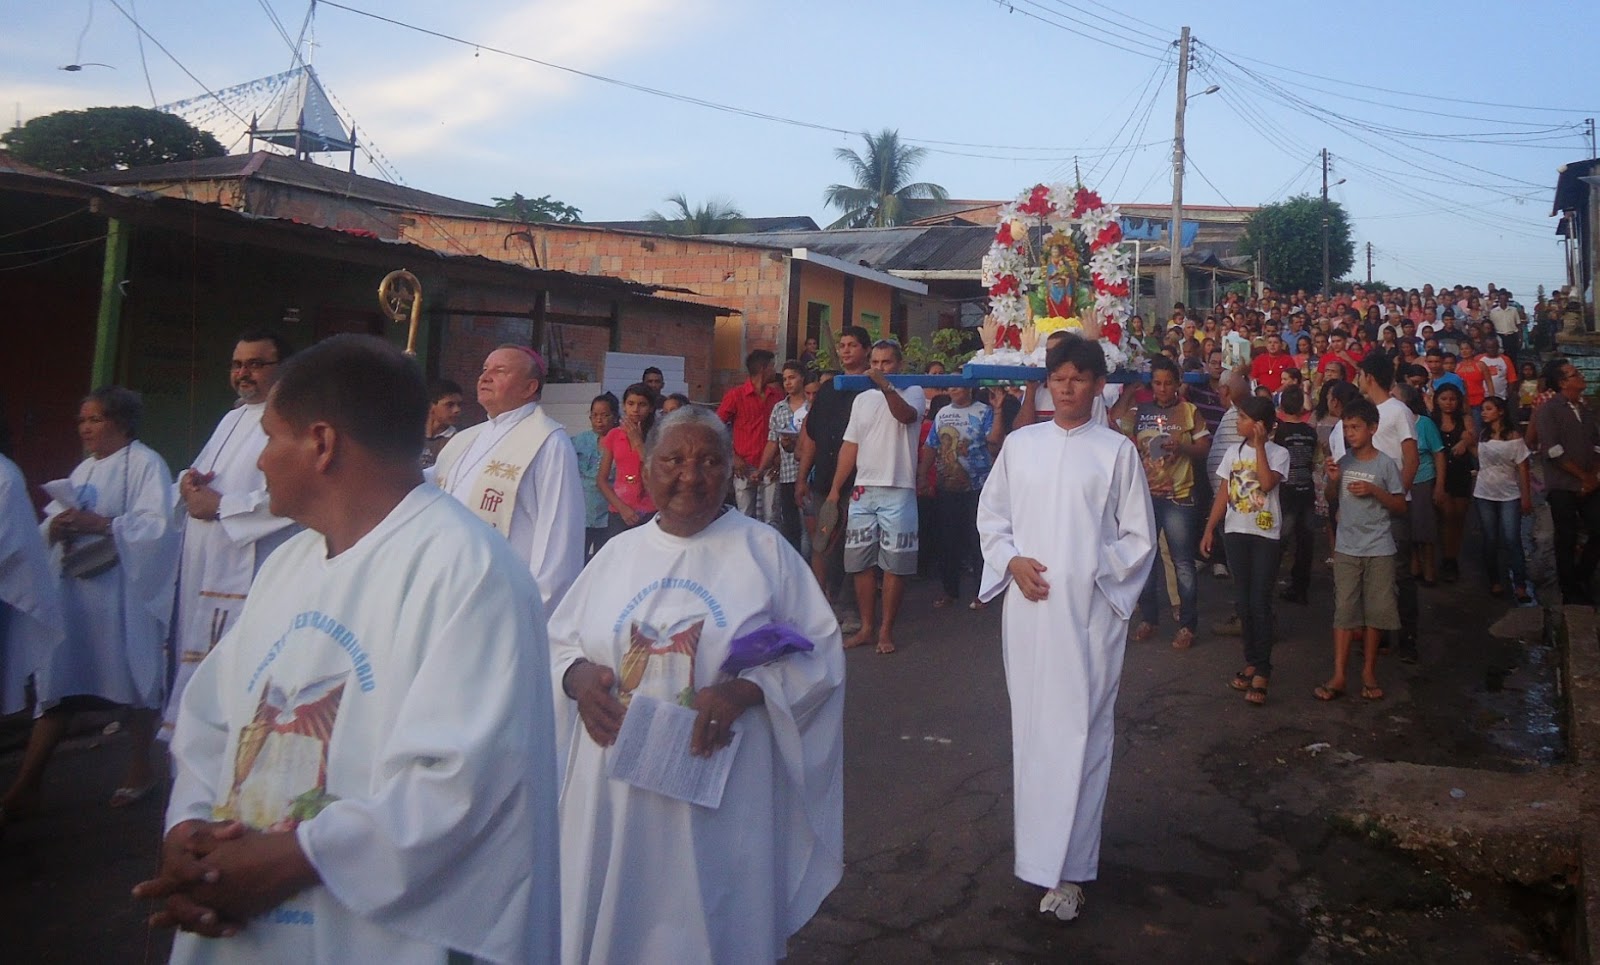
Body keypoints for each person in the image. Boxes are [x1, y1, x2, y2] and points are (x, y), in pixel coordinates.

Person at [136, 335, 559, 963]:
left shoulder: (469, 573)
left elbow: (465, 785)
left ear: (323, 444)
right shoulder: (289, 564)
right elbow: (213, 718)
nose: (259, 463)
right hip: (242, 917)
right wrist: (190, 831)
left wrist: (296, 856)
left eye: (272, 439)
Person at [551, 407, 844, 964]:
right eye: (674, 460)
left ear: (730, 466)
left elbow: (821, 656)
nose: (691, 475)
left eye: (709, 460)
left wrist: (747, 690)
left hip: (724, 794)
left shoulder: (764, 552)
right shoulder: (617, 555)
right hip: (618, 797)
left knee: (716, 923)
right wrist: (577, 676)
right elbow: (557, 641)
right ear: (646, 464)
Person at [976, 335, 1156, 922]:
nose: (1068, 387)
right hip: (1029, 611)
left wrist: (1087, 569)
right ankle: (1035, 859)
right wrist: (1010, 562)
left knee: (1082, 733)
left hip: (1088, 614)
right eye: (1058, 378)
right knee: (1033, 731)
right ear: (1046, 384)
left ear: (1100, 385)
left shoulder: (1116, 451)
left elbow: (1137, 539)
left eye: (1080, 377)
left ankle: (1072, 870)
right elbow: (992, 518)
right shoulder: (1021, 445)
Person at [2, 387, 178, 821]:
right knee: (59, 685)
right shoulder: (84, 469)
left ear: (121, 422)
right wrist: (56, 528)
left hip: (121, 597)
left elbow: (158, 530)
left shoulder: (145, 463)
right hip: (77, 598)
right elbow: (43, 527)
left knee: (136, 684)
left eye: (95, 420)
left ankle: (140, 769)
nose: (85, 429)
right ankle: (27, 786)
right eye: (82, 421)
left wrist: (102, 524)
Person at [165, 332, 299, 738]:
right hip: (203, 563)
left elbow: (289, 495)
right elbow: (203, 473)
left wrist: (221, 507)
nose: (244, 372)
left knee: (237, 674)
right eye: (238, 363)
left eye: (257, 363)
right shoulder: (233, 417)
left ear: (283, 368)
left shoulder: (293, 419)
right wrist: (188, 486)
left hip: (251, 565)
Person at [435, 343, 585, 614]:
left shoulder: (549, 442)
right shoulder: (466, 438)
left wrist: (537, 613)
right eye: (484, 369)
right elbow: (427, 486)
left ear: (529, 387)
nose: (485, 377)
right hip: (451, 589)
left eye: (499, 370)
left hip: (504, 602)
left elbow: (559, 536)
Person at [826, 340, 925, 654]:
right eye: (876, 363)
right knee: (860, 562)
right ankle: (867, 628)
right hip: (863, 490)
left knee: (895, 565)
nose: (880, 368)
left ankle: (886, 631)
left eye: (887, 362)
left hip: (899, 490)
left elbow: (906, 416)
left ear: (899, 363)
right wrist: (834, 490)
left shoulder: (914, 391)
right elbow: (850, 446)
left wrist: (885, 387)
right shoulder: (862, 400)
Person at [1199, 397, 1289, 705]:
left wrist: (1262, 446)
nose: (1237, 423)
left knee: (1260, 601)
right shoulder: (1233, 452)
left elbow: (1265, 483)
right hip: (1236, 532)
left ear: (1260, 425)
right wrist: (1210, 528)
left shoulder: (1279, 454)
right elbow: (1224, 493)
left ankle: (1263, 669)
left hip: (1264, 534)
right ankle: (1251, 659)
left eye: (1243, 418)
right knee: (1244, 602)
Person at [1316, 398, 1406, 703]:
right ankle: (1339, 674)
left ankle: (1368, 671)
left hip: (1379, 546)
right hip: (1347, 547)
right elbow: (1331, 498)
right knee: (1344, 611)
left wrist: (1374, 490)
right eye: (1347, 428)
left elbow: (1400, 505)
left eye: (1356, 427)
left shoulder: (1385, 464)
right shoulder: (1344, 464)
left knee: (1376, 612)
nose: (1351, 433)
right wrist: (1332, 480)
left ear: (1373, 429)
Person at [1127, 357, 1211, 649]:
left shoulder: (1188, 411)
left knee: (1183, 562)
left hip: (1179, 497)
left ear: (1177, 384)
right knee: (1145, 560)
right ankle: (1149, 618)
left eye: (1168, 383)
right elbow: (1117, 426)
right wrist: (1128, 389)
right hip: (1145, 496)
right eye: (1157, 383)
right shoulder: (1141, 411)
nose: (1162, 389)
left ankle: (1188, 625)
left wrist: (1182, 447)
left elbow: (1204, 447)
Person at [796, 327, 869, 610]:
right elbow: (813, 437)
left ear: (865, 350)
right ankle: (820, 602)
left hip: (858, 481)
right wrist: (803, 478)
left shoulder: (873, 389)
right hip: (823, 479)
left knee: (852, 547)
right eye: (842, 345)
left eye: (852, 345)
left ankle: (848, 606)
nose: (846, 350)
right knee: (821, 542)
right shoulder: (828, 388)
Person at [917, 384, 995, 610]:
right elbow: (931, 446)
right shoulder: (942, 413)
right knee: (948, 540)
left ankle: (983, 591)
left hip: (978, 486)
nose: (953, 390)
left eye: (958, 386)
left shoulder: (984, 411)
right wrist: (923, 475)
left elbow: (993, 441)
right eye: (950, 387)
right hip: (947, 487)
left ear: (969, 388)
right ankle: (949, 590)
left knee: (977, 539)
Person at [1471, 396, 1533, 605]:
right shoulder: (1483, 435)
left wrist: (1526, 497)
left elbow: (1523, 468)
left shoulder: (1515, 437)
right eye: (1483, 409)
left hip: (1509, 493)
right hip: (1484, 491)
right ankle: (1495, 580)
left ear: (1501, 411)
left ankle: (1520, 584)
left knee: (1512, 539)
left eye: (1488, 409)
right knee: (1490, 538)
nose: (1484, 413)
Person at [718, 349, 783, 527]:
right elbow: (716, 427)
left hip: (770, 464)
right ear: (763, 368)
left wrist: (778, 456)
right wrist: (733, 457)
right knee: (745, 517)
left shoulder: (777, 396)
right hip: (743, 465)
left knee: (772, 518)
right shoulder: (735, 395)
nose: (774, 370)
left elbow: (783, 429)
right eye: (772, 366)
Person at [1273, 386, 1318, 603]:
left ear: (1281, 405)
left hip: (1286, 492)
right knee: (1305, 542)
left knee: (1280, 540)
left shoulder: (1280, 432)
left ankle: (1269, 582)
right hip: (1306, 490)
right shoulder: (1310, 431)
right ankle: (1301, 587)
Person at [756, 360, 808, 550]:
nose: (788, 383)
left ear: (802, 378)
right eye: (785, 379)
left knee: (809, 527)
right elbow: (772, 441)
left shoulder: (812, 405)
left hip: (810, 474)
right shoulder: (779, 408)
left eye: (792, 378)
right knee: (790, 525)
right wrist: (761, 469)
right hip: (787, 475)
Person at [1398, 385, 1446, 586]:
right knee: (1409, 527)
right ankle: (1414, 565)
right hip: (1400, 480)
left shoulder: (1424, 423)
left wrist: (1440, 485)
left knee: (1425, 527)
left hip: (1422, 480)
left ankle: (1429, 569)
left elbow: (1439, 453)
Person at [597, 383, 658, 537]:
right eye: (631, 404)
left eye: (642, 404)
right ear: (624, 406)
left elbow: (657, 471)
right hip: (619, 510)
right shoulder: (614, 435)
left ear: (651, 408)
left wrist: (637, 442)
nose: (636, 409)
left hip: (650, 511)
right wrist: (622, 508)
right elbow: (601, 480)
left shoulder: (658, 435)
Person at [1433, 383, 1475, 583]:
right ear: (1437, 400)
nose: (1448, 403)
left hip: (1461, 472)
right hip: (1441, 473)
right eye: (1444, 399)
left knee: (1459, 517)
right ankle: (1446, 557)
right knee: (1446, 515)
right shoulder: (1432, 421)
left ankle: (1452, 558)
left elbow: (1472, 436)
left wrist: (1465, 442)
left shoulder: (1465, 419)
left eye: (1452, 399)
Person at [573, 392, 619, 561]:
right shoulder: (579, 440)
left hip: (608, 514)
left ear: (615, 417)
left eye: (605, 415)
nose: (599, 420)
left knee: (603, 561)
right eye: (595, 415)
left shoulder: (622, 440)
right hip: (582, 513)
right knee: (577, 559)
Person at [420, 378, 463, 469]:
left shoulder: (458, 441)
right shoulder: (409, 435)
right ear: (431, 405)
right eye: (449, 405)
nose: (457, 410)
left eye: (459, 405)